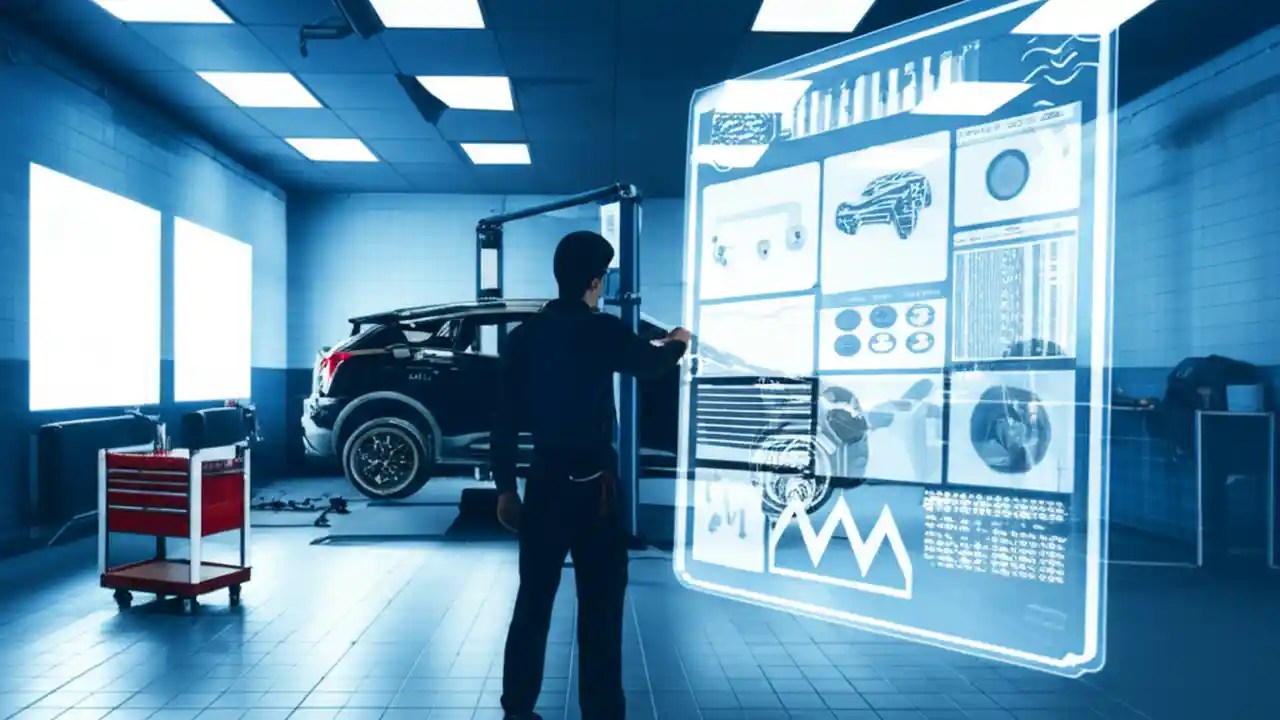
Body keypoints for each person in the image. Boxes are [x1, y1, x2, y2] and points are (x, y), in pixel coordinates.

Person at [491, 230, 690, 720]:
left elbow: (504, 418)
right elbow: (651, 363)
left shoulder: (525, 337)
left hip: (541, 486)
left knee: (533, 603)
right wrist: (679, 343)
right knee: (600, 611)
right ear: (596, 281)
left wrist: (504, 487)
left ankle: (517, 707)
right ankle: (600, 712)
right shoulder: (603, 332)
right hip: (594, 494)